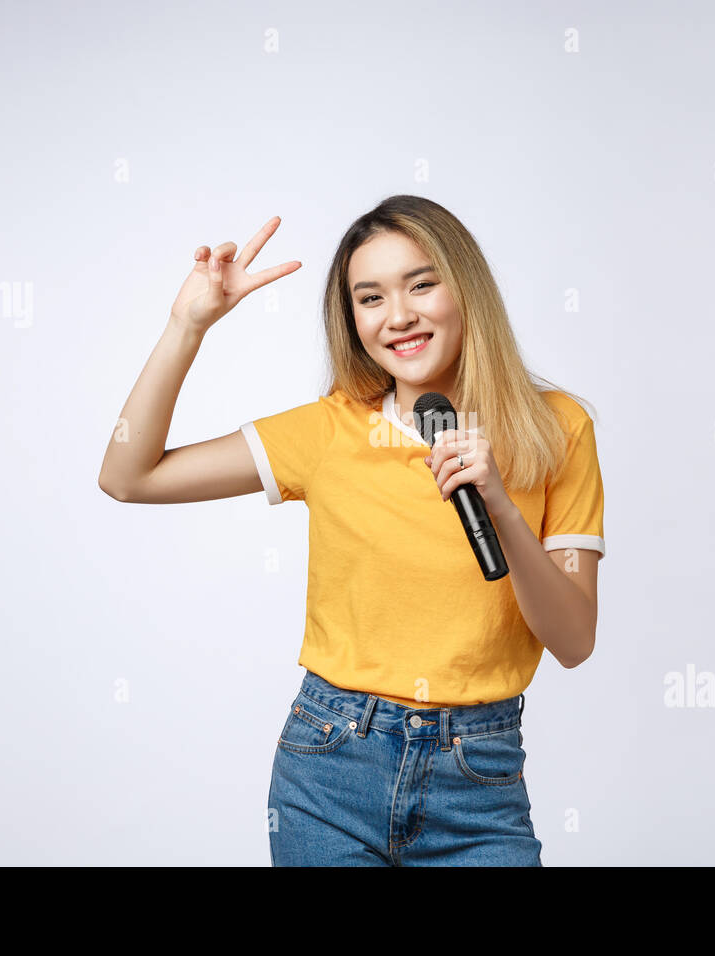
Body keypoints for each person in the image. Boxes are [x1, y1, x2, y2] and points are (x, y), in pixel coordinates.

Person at [98, 196, 605, 866]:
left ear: (467, 288)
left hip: (478, 779)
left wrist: (502, 509)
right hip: (330, 768)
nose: (398, 316)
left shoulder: (556, 428)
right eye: (370, 298)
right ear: (353, 319)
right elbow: (128, 476)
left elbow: (572, 641)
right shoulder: (329, 431)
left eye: (422, 284)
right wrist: (185, 328)